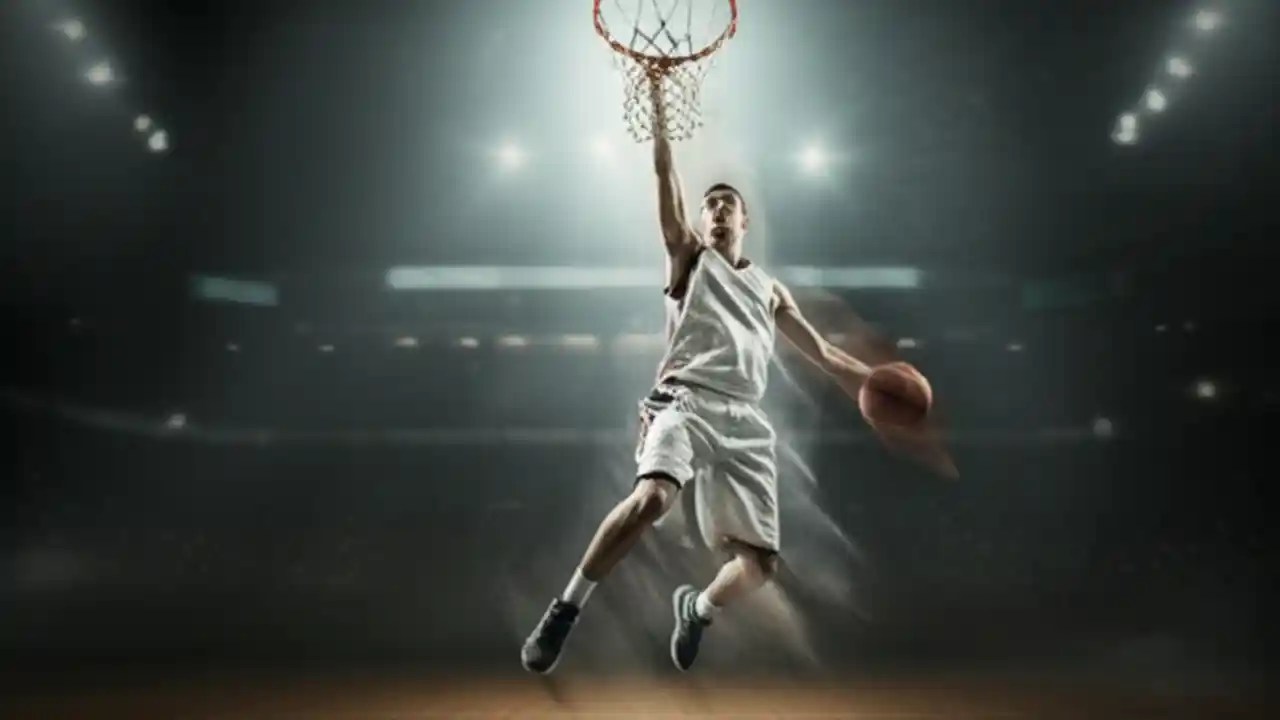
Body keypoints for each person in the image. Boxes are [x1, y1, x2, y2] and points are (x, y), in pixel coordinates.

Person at [520, 123, 906, 675]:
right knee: (653, 500)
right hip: (685, 401)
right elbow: (663, 175)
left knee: (759, 565)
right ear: (702, 221)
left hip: (746, 421)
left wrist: (876, 384)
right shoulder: (689, 260)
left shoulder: (770, 289)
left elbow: (824, 353)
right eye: (711, 205)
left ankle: (696, 609)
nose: (719, 210)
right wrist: (658, 121)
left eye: (729, 204)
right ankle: (565, 609)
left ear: (745, 221)